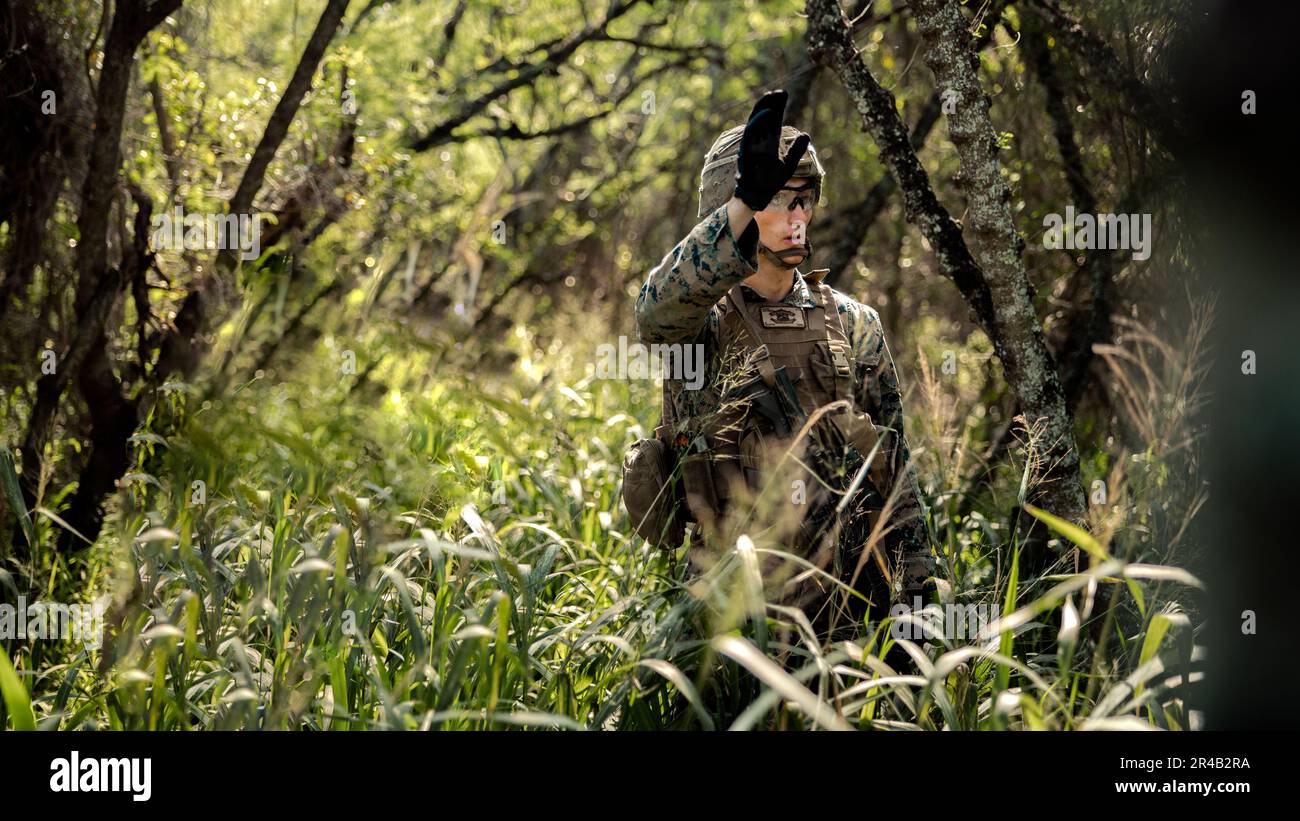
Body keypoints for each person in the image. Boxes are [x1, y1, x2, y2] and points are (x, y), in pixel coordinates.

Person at [632, 90, 934, 639]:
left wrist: (918, 610)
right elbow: (655, 309)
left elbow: (897, 475)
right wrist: (746, 202)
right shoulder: (699, 325)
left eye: (806, 199)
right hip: (722, 618)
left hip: (844, 617)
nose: (798, 216)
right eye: (779, 199)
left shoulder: (854, 323)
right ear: (736, 205)